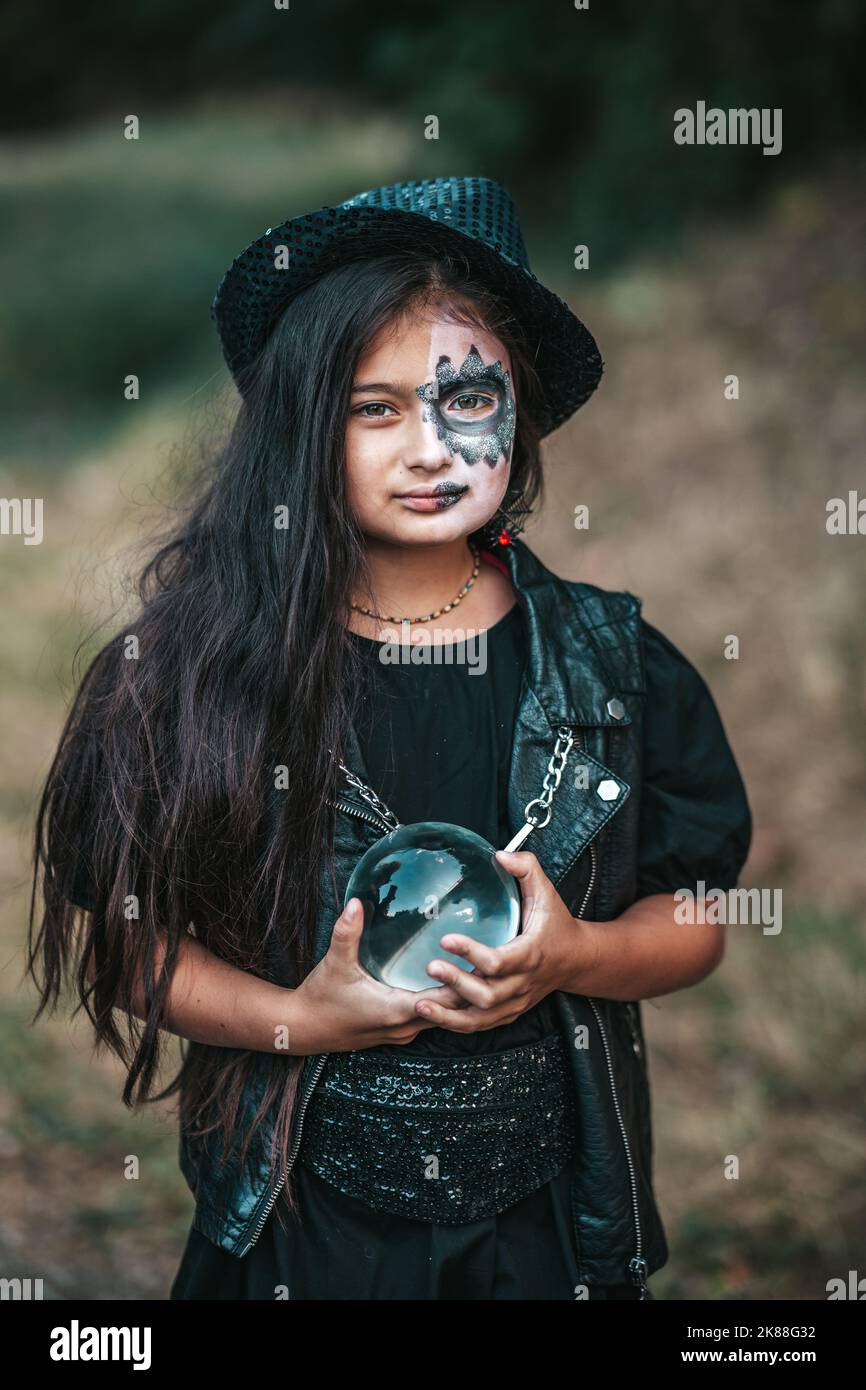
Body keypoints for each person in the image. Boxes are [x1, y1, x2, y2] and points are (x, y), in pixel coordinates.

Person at [28, 176, 752, 1301]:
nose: (429, 448)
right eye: (374, 409)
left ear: (519, 412)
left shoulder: (615, 664)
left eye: (468, 400)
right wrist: (297, 1019)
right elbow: (129, 944)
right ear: (303, 425)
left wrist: (575, 955)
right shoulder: (190, 667)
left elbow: (695, 911)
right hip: (296, 1234)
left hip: (549, 1232)